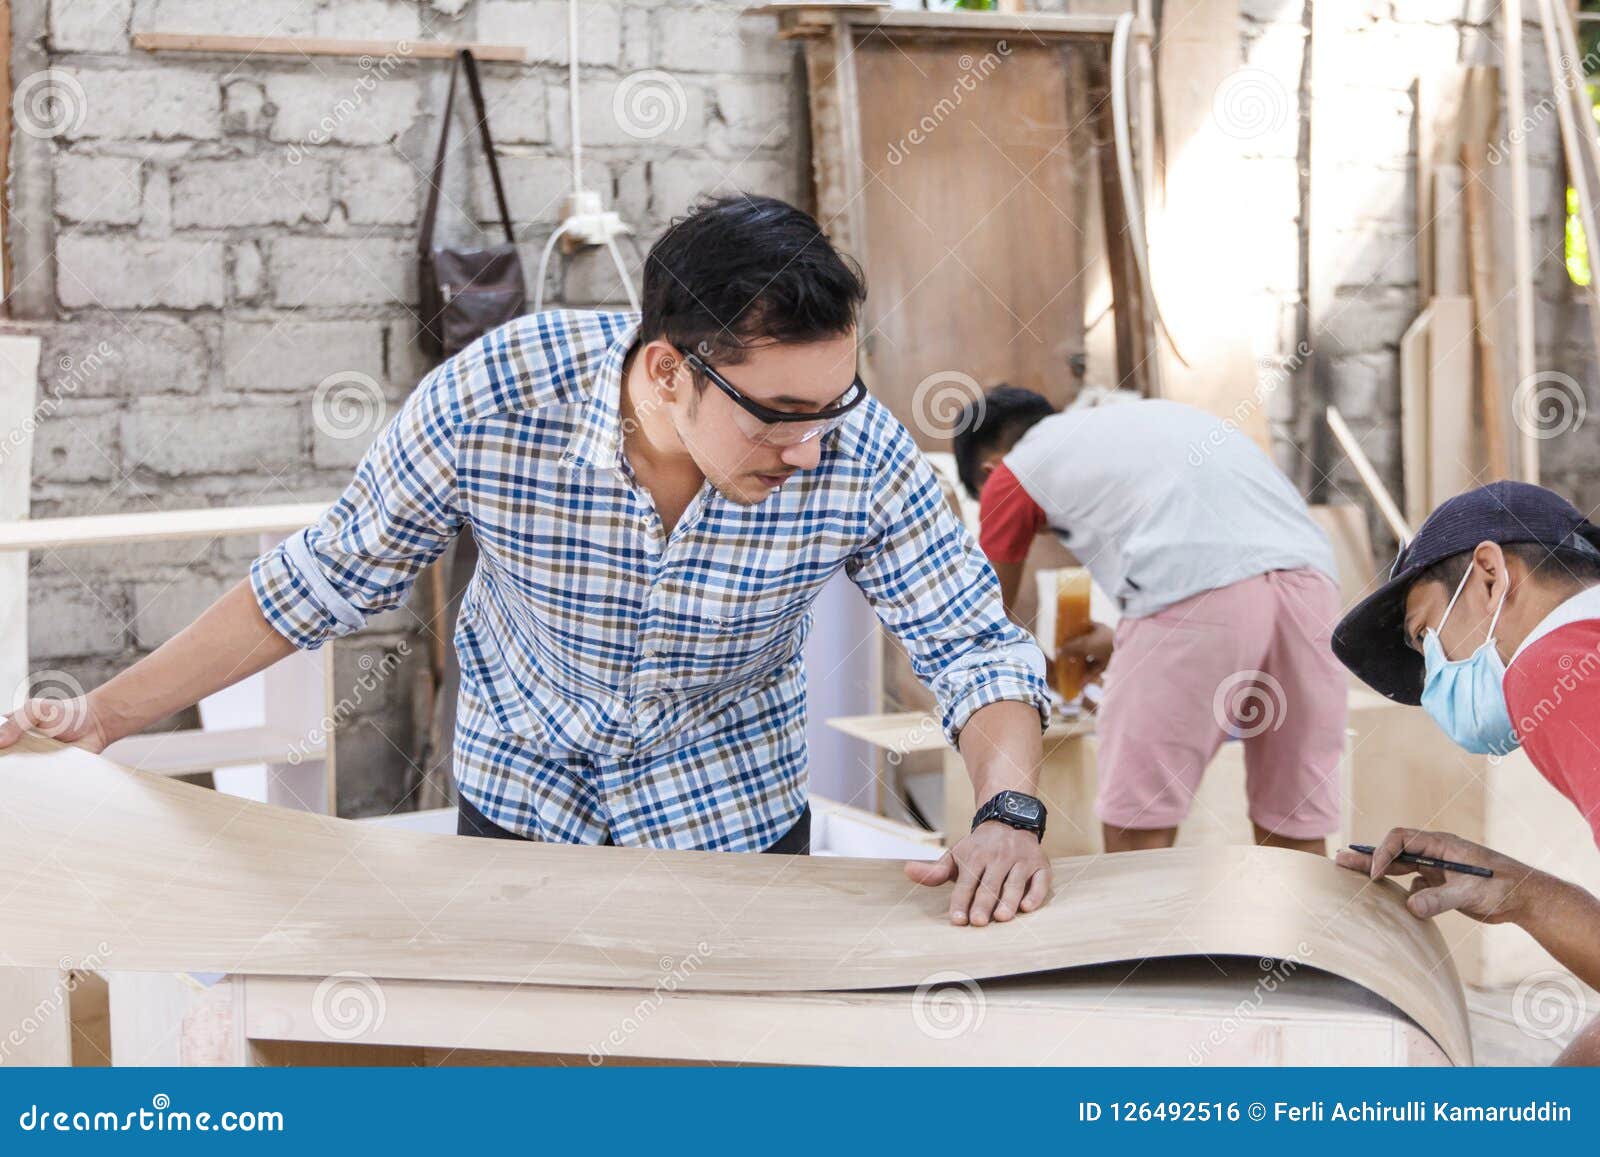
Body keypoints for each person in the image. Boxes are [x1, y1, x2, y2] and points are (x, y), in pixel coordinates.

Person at [0, 195, 1055, 928]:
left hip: (734, 824)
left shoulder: (854, 448)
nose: (811, 446)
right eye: (777, 414)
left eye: (833, 404)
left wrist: (1006, 810)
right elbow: (323, 577)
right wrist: (105, 715)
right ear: (666, 370)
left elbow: (971, 642)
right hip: (522, 811)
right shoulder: (497, 397)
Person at [952, 388, 1346, 855]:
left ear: (989, 470)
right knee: (1294, 817)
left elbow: (986, 618)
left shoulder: (1013, 472)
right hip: (1313, 589)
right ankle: (1298, 906)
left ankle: (1141, 907)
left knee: (1137, 820)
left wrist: (1043, 676)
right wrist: (1126, 645)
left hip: (1195, 592)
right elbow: (1245, 580)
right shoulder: (1135, 424)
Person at [1331, 480, 1600, 1065]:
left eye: (1425, 635)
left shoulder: (1554, 668)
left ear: (1490, 577)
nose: (1435, 677)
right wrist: (1516, 888)